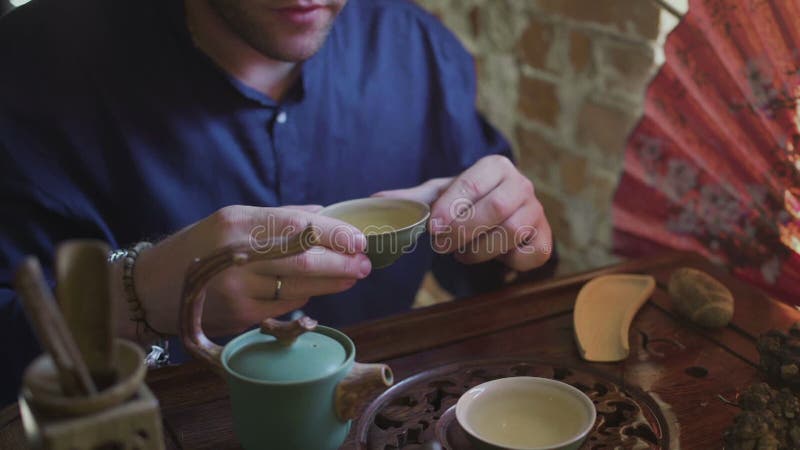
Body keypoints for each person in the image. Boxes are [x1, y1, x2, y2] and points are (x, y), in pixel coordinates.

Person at [0, 0, 554, 406]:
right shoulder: (32, 64)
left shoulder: (415, 47)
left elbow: (505, 281)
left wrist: (511, 237)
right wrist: (140, 295)